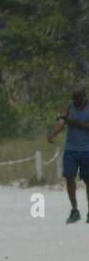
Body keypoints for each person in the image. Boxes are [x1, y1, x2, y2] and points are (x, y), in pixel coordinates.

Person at [46, 88, 89, 223]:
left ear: (84, 97)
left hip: (86, 150)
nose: (75, 101)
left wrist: (72, 121)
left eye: (77, 98)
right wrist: (53, 133)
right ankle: (74, 210)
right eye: (73, 98)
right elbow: (61, 122)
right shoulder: (70, 107)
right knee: (69, 177)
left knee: (88, 181)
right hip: (70, 149)